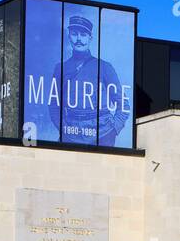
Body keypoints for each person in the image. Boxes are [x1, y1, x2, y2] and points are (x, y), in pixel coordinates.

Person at [50, 13, 127, 145]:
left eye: (84, 35)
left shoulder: (104, 67)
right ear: (69, 36)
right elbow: (53, 104)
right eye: (75, 34)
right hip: (71, 134)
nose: (79, 39)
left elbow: (123, 104)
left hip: (102, 133)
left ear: (90, 38)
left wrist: (114, 130)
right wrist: (63, 129)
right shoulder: (60, 68)